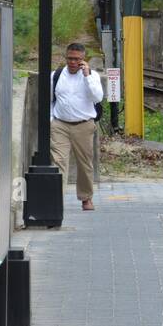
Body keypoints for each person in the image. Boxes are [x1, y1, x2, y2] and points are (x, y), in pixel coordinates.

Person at [50, 42, 104, 211]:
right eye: (70, 58)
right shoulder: (56, 75)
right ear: (66, 58)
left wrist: (87, 76)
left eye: (76, 59)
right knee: (58, 162)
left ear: (83, 59)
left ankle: (86, 198)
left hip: (83, 125)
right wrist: (51, 119)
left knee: (85, 163)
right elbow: (49, 99)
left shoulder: (92, 76)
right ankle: (56, 200)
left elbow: (97, 98)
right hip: (60, 124)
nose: (73, 62)